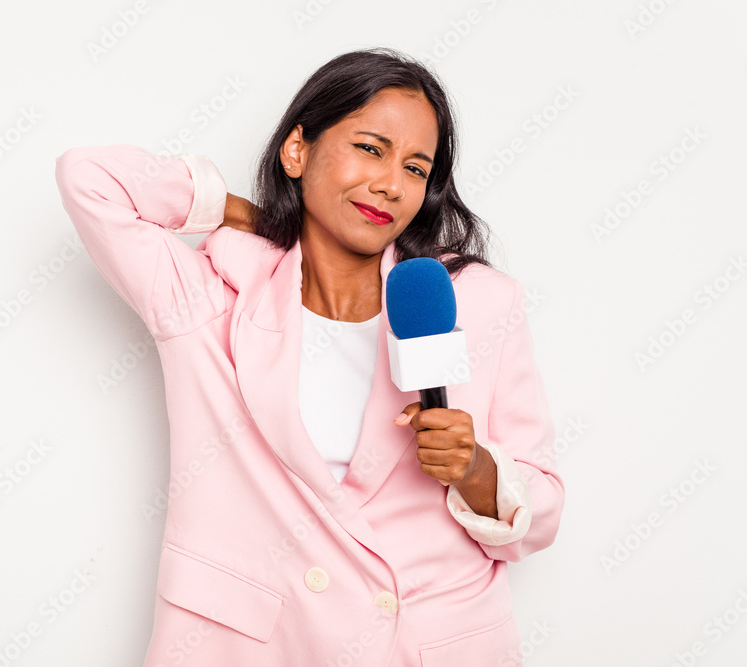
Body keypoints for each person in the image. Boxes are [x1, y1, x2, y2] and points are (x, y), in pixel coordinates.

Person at [54, 47, 564, 667]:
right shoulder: (207, 302)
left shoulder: (475, 303)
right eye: (370, 148)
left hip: (426, 646)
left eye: (415, 167)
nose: (390, 184)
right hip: (255, 645)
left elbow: (543, 506)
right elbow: (89, 179)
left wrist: (477, 471)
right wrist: (252, 215)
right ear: (298, 150)